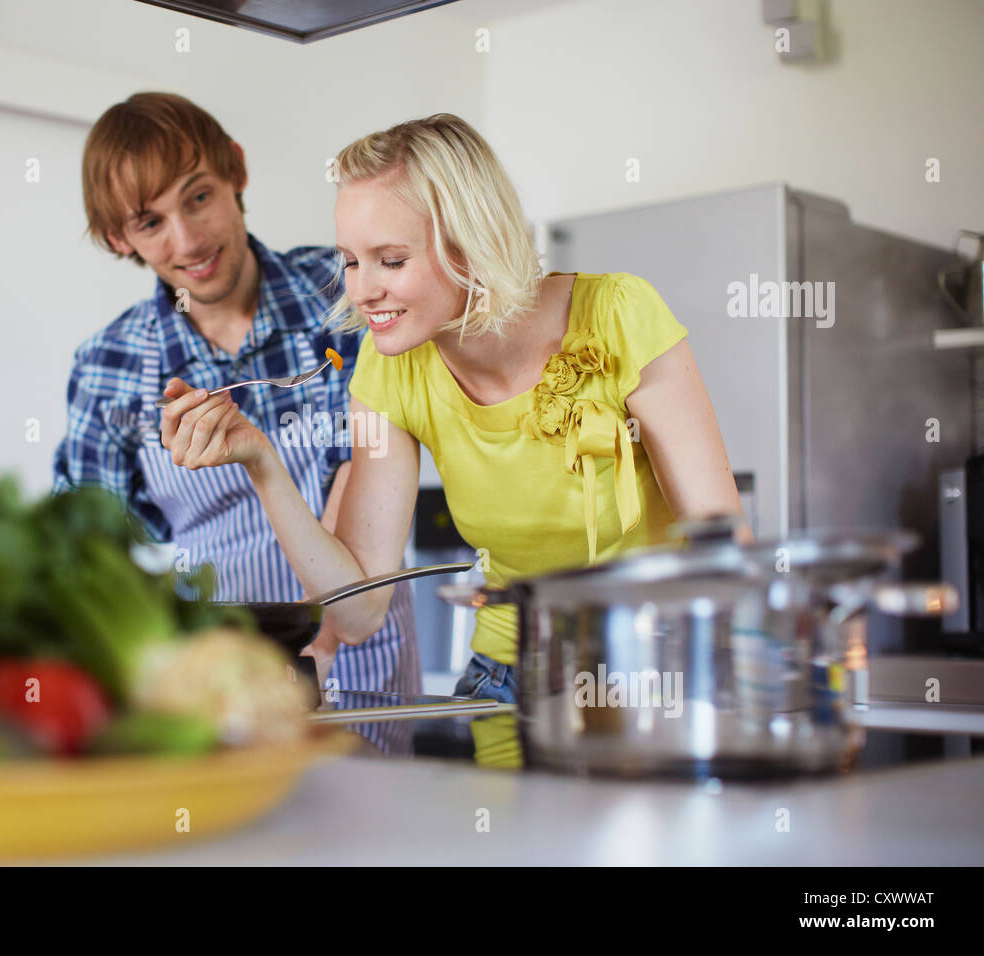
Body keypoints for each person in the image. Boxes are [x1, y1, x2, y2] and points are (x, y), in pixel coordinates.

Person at [158, 113, 747, 763]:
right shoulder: (389, 367)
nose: (363, 290)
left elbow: (724, 548)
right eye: (350, 261)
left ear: (472, 244)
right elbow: (359, 612)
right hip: (504, 683)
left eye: (390, 260)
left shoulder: (619, 316)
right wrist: (261, 462)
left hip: (653, 677)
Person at [52, 93, 421, 752]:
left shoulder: (344, 294)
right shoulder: (107, 367)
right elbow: (89, 562)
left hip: (367, 691)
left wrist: (326, 637)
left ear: (237, 173)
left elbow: (366, 479)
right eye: (149, 221)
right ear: (118, 237)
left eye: (198, 198)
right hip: (223, 709)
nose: (188, 241)